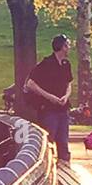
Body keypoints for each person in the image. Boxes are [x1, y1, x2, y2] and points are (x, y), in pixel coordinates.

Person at [23, 35, 72, 164]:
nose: (69, 48)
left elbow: (69, 83)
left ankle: (64, 164)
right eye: (67, 45)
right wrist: (49, 97)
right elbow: (30, 84)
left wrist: (66, 96)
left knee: (63, 140)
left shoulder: (66, 64)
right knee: (49, 138)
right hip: (49, 109)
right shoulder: (46, 64)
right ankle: (47, 164)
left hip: (63, 107)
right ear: (62, 47)